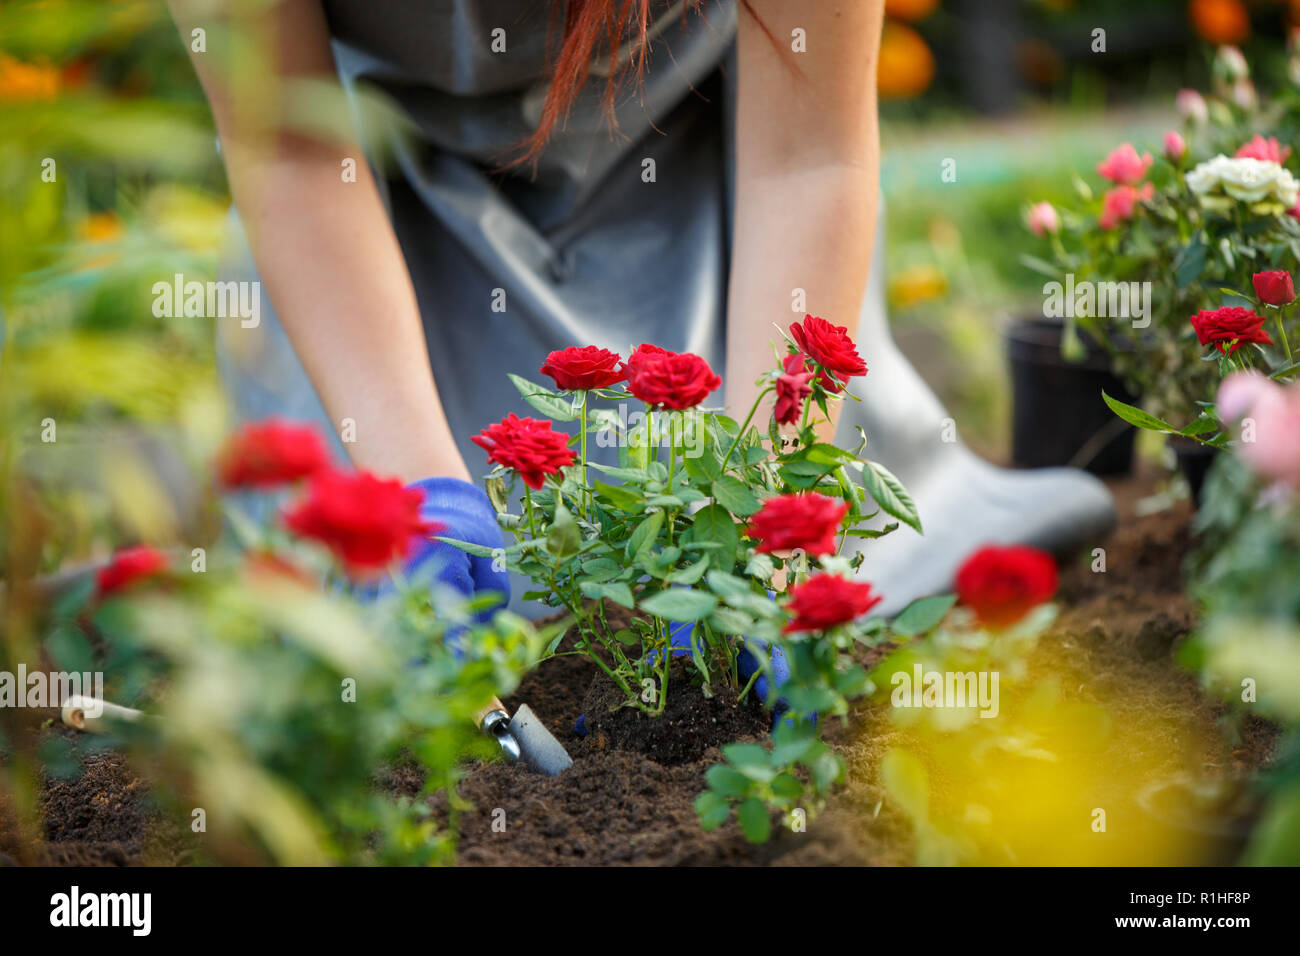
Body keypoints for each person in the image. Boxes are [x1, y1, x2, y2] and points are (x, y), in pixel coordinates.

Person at [171, 0, 1114, 618]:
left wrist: (770, 521)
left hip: (726, 213)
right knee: (375, 625)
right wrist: (417, 499)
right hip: (373, 238)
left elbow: (810, 157)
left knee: (743, 577)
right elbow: (290, 153)